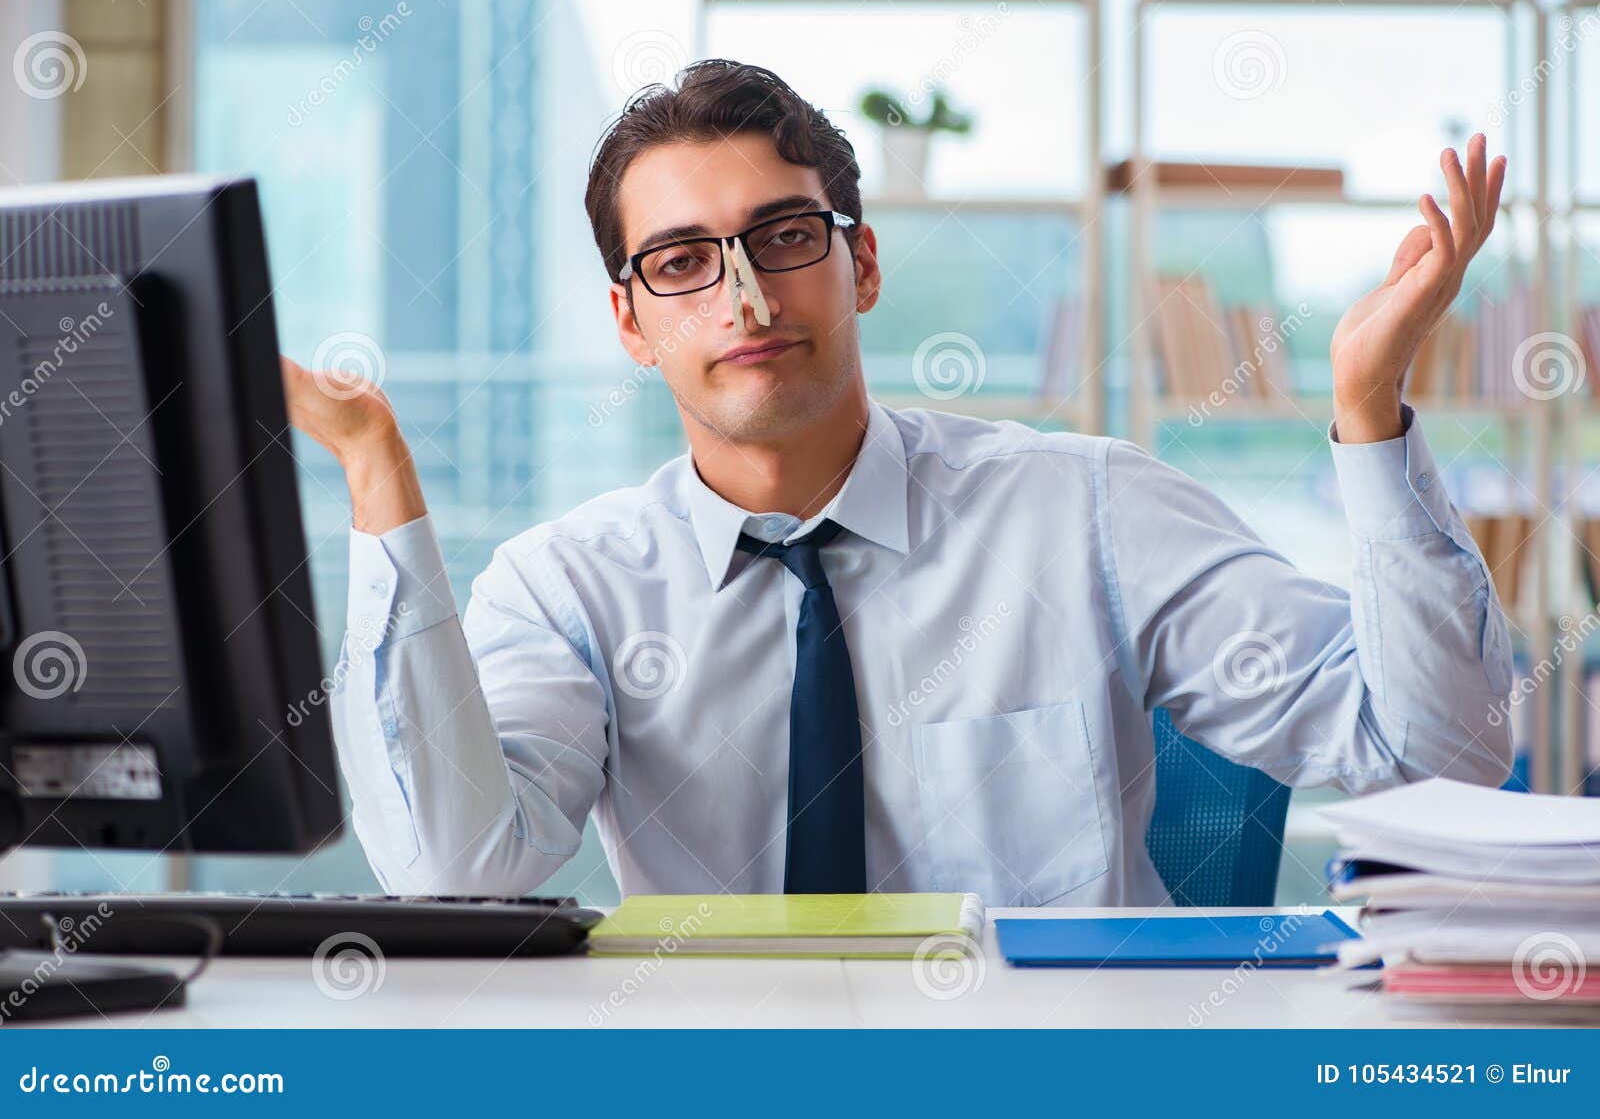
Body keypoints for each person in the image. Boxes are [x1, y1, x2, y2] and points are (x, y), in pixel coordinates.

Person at [283, 59, 1514, 904]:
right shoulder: (567, 591)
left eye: (784, 237)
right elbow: (457, 868)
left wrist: (1365, 410)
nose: (747, 299)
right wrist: (377, 473)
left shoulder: (1084, 513)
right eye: (680, 262)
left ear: (860, 263)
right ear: (628, 323)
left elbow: (1434, 757)